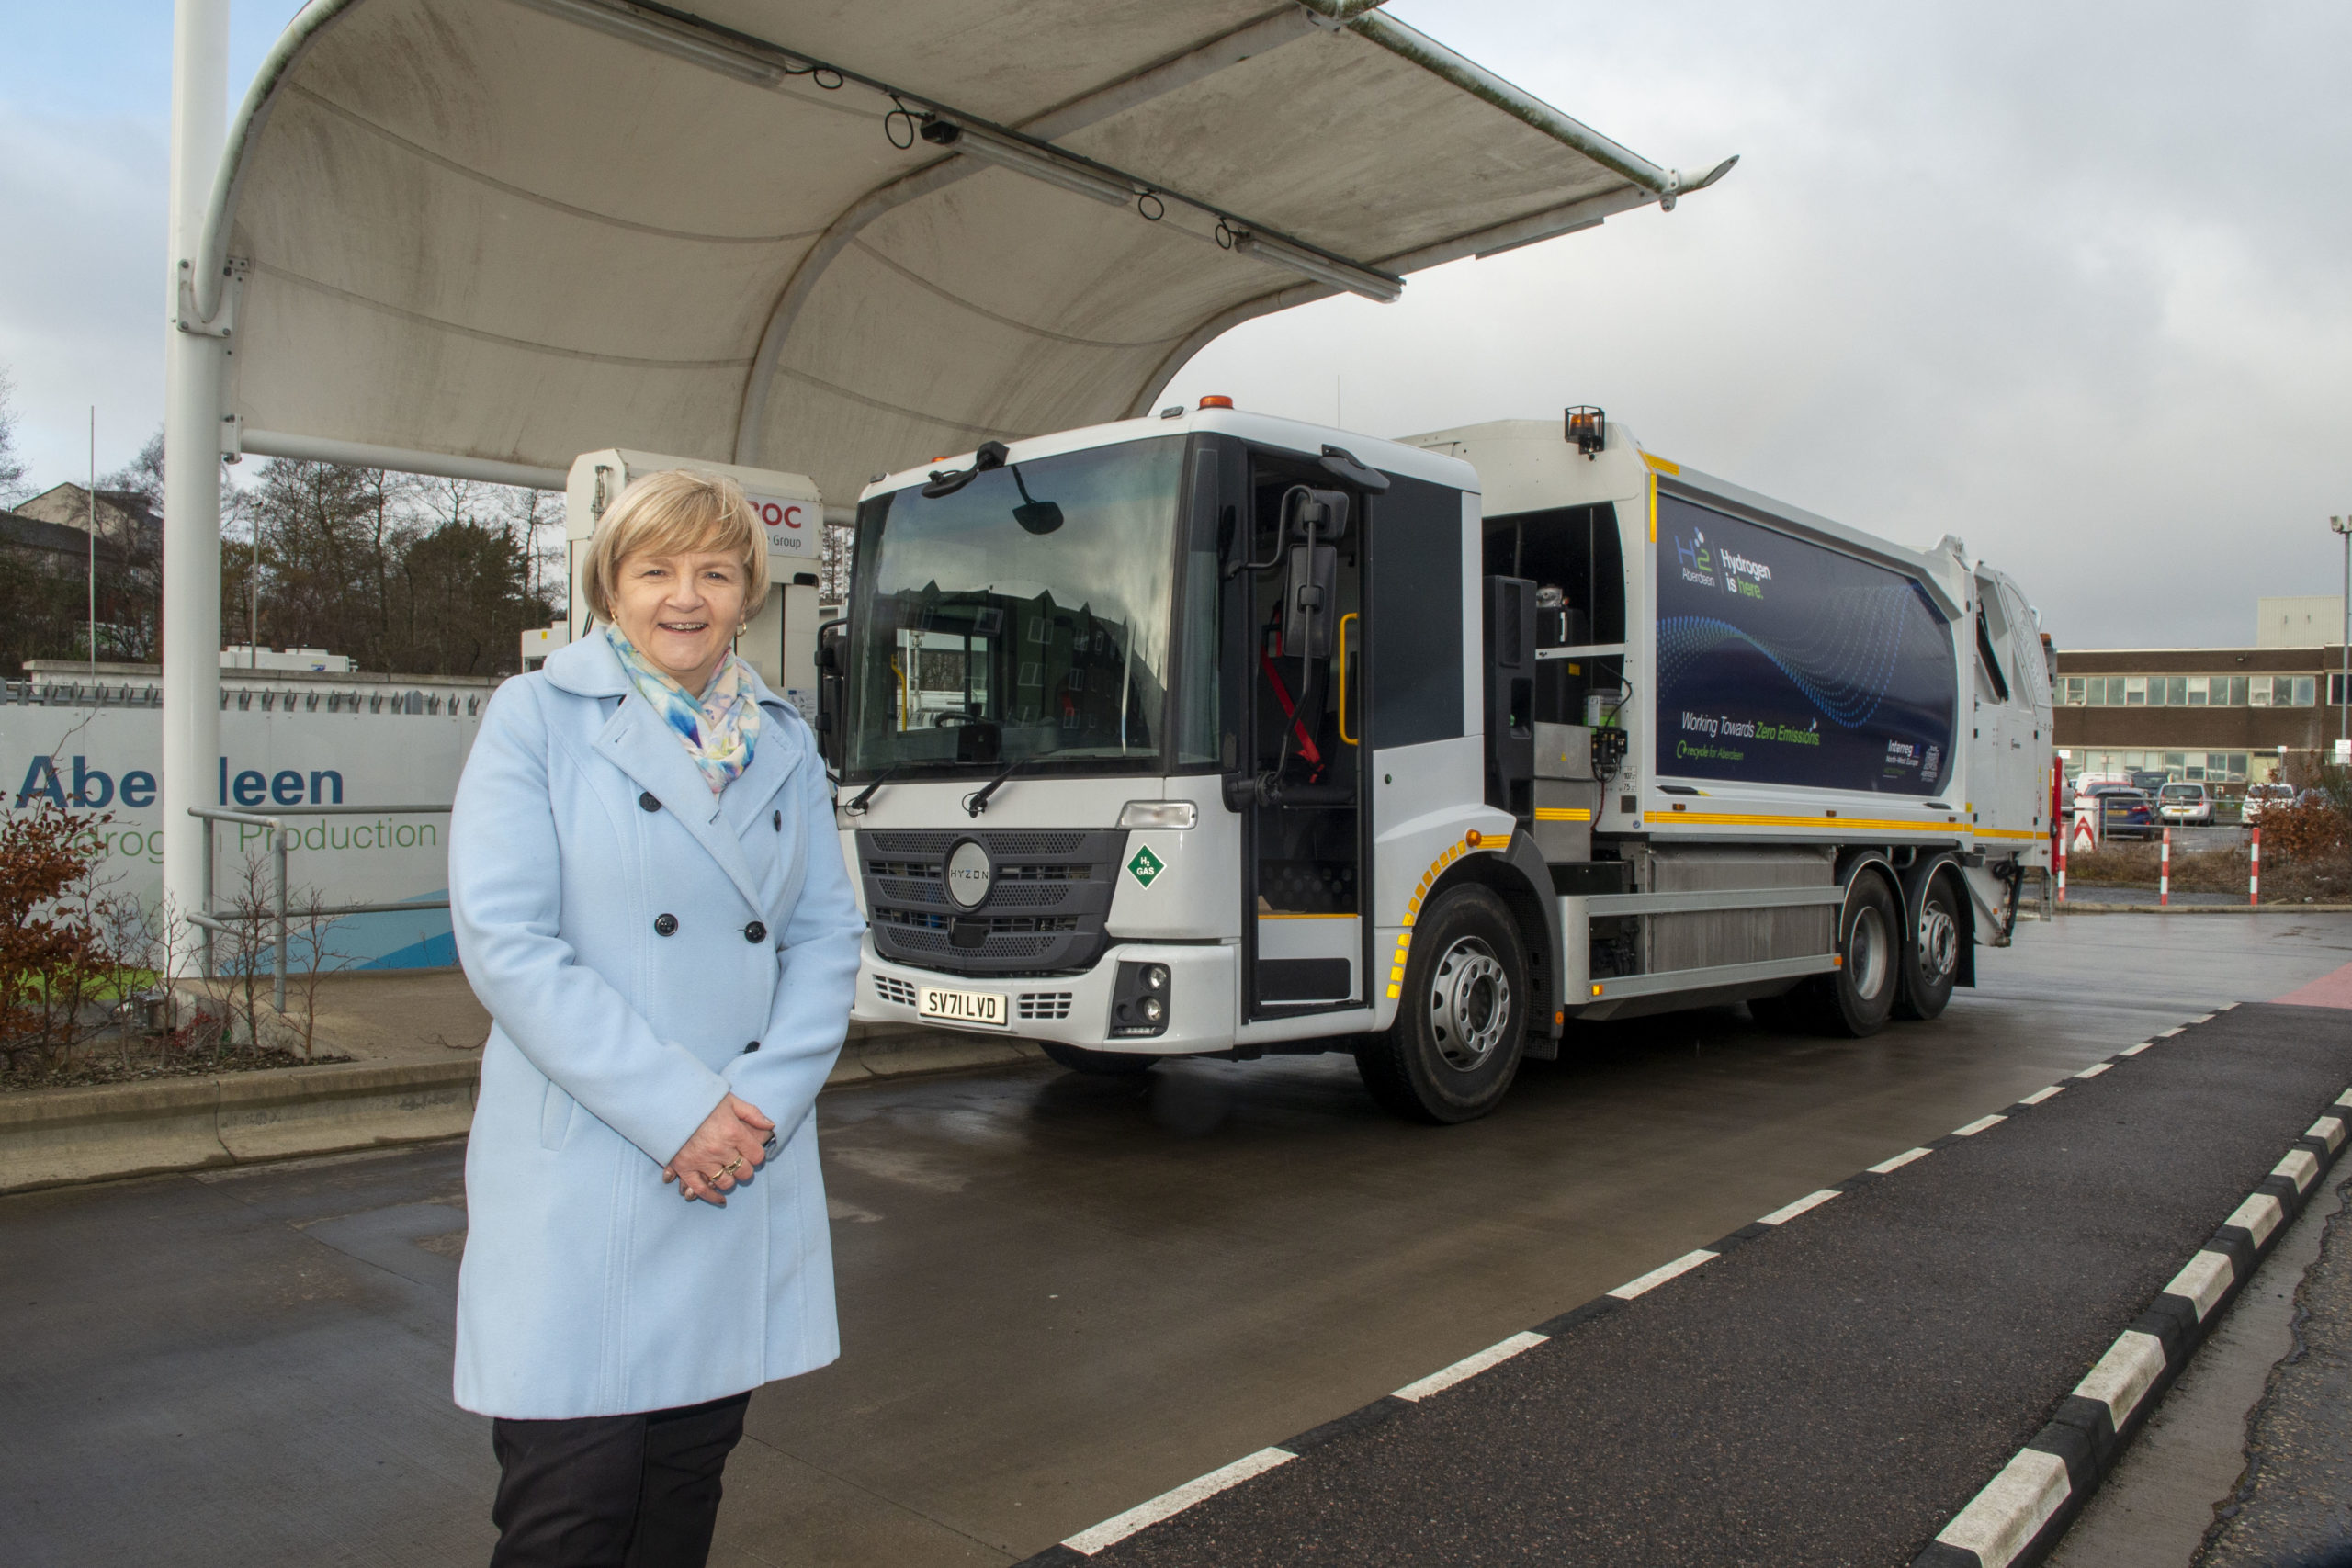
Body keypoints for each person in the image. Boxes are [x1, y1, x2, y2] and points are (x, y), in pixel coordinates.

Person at [447, 468, 865, 1567]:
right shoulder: (536, 716)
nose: (686, 597)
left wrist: (754, 1113)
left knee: (681, 1499)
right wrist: (684, 1114)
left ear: (748, 594)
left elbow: (825, 941)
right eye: (656, 571)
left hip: (733, 1165)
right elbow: (508, 944)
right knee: (568, 1514)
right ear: (609, 587)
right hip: (593, 1167)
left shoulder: (782, 737)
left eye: (715, 573)